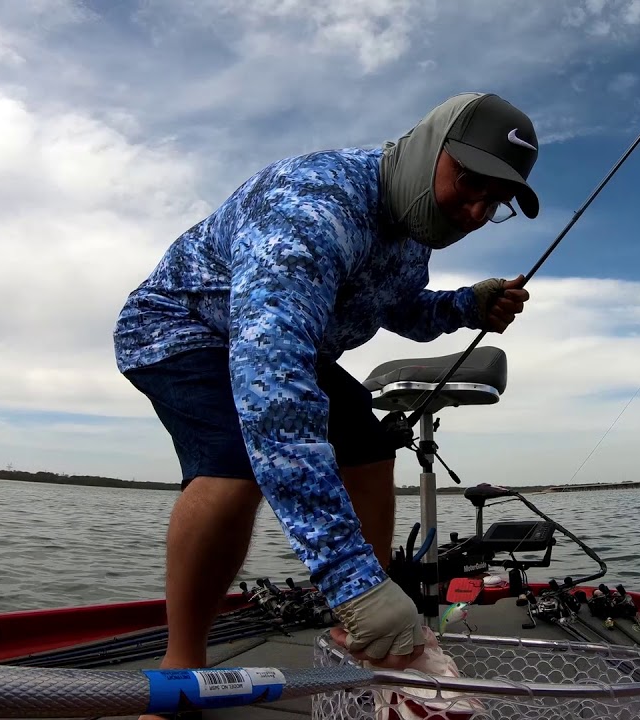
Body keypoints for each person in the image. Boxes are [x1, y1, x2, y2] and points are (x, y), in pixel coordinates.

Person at [112, 92, 540, 713]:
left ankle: (357, 628)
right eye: (469, 182)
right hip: (183, 330)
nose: (476, 210)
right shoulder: (311, 210)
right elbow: (275, 399)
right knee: (234, 465)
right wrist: (349, 575)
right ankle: (183, 668)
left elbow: (397, 307)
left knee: (368, 448)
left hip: (283, 343)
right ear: (428, 148)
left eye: (493, 203)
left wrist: (465, 306)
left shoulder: (410, 229)